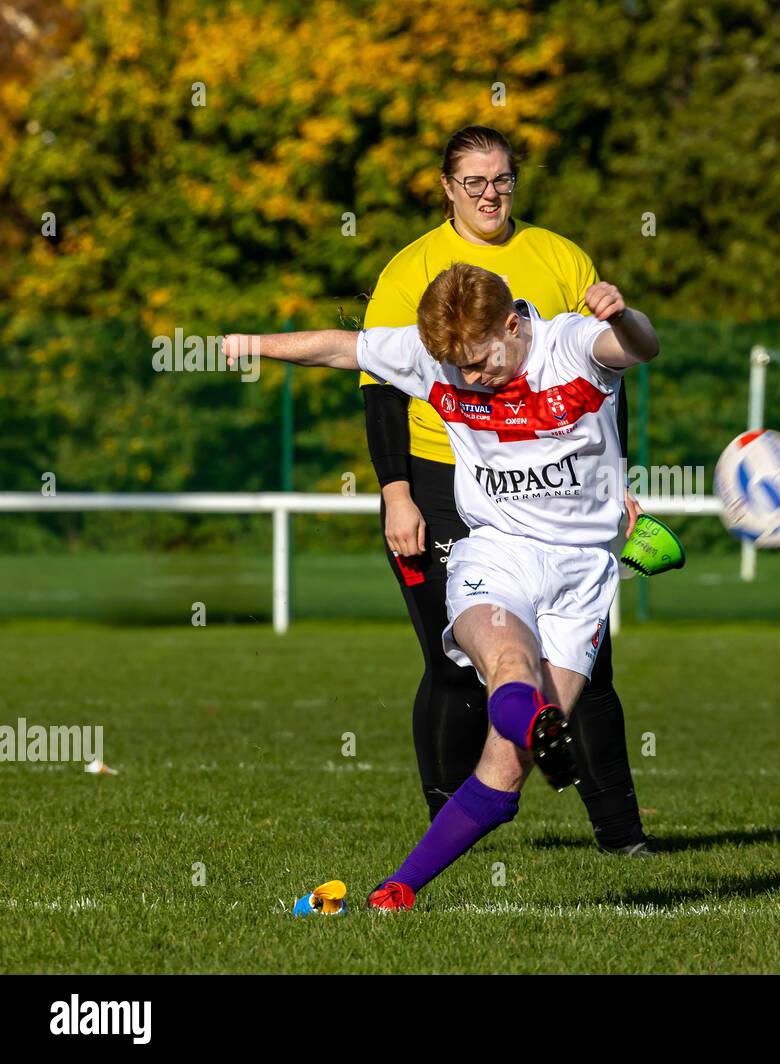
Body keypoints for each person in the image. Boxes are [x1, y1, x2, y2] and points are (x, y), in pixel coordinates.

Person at [223, 263, 660, 909]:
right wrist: (251, 345)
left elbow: (641, 346)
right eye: (459, 367)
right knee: (507, 661)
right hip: (496, 549)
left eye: (483, 362)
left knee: (508, 767)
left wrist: (621, 314)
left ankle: (515, 752)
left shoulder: (572, 343)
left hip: (583, 572)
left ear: (512, 322)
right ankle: (396, 888)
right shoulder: (442, 354)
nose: (472, 378)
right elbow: (341, 349)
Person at [362, 125, 653, 854]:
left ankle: (621, 836)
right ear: (445, 187)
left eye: (501, 180)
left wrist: (620, 481)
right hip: (438, 480)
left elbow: (606, 376)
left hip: (555, 485)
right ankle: (452, 825)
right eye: (473, 182)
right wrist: (396, 493)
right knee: (455, 665)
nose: (489, 194)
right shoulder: (412, 267)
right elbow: (378, 384)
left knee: (589, 670)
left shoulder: (560, 257)